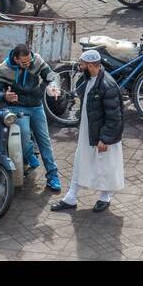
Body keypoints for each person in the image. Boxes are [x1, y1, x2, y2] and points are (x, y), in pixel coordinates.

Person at [50, 50, 124, 213]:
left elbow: (114, 116)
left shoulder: (107, 85)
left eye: (82, 63)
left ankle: (104, 197)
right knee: (81, 161)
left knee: (105, 165)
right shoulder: (89, 79)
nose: (79, 66)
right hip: (88, 132)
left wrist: (104, 139)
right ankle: (71, 197)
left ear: (90, 66)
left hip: (101, 136)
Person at [0, 43, 62, 192]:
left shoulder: (36, 60)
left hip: (36, 105)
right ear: (16, 59)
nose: (28, 64)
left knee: (45, 141)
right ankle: (29, 155)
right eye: (24, 62)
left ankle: (53, 176)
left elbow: (50, 75)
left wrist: (54, 85)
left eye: (29, 60)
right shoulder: (3, 69)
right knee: (24, 135)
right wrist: (4, 96)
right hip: (17, 107)